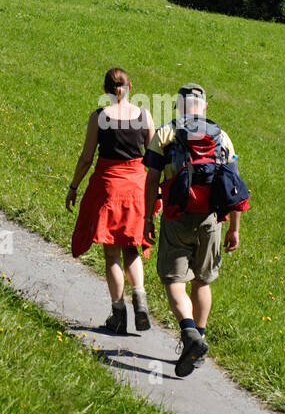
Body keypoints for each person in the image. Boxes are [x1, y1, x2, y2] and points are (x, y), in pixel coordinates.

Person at [143, 83, 250, 377]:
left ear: (178, 106)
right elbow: (234, 188)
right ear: (203, 108)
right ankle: (199, 340)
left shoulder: (165, 133)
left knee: (174, 280)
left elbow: (151, 180)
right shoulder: (222, 136)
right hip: (212, 220)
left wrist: (147, 218)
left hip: (177, 216)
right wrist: (234, 229)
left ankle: (189, 334)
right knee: (202, 281)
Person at [66, 68, 154, 334]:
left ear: (105, 89)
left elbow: (86, 158)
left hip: (109, 188)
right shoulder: (144, 115)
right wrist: (156, 192)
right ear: (131, 87)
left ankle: (118, 313)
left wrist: (73, 186)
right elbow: (154, 159)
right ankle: (140, 298)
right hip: (137, 189)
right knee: (131, 249)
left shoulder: (100, 117)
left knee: (111, 253)